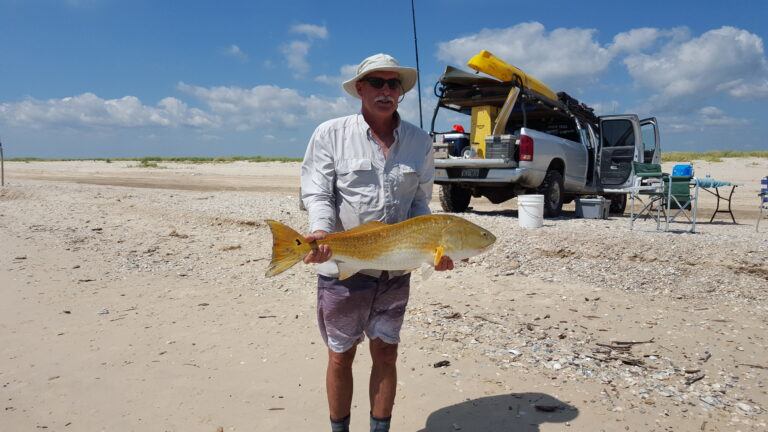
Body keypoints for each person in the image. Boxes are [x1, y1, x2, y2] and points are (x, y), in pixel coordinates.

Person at [300, 53, 454, 432]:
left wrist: (436, 247)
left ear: (400, 92)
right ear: (360, 89)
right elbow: (318, 193)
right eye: (377, 83)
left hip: (397, 269)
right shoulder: (330, 134)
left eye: (393, 84)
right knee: (340, 355)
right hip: (343, 269)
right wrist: (320, 231)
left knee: (386, 352)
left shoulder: (419, 142)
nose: (386, 90)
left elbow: (421, 201)